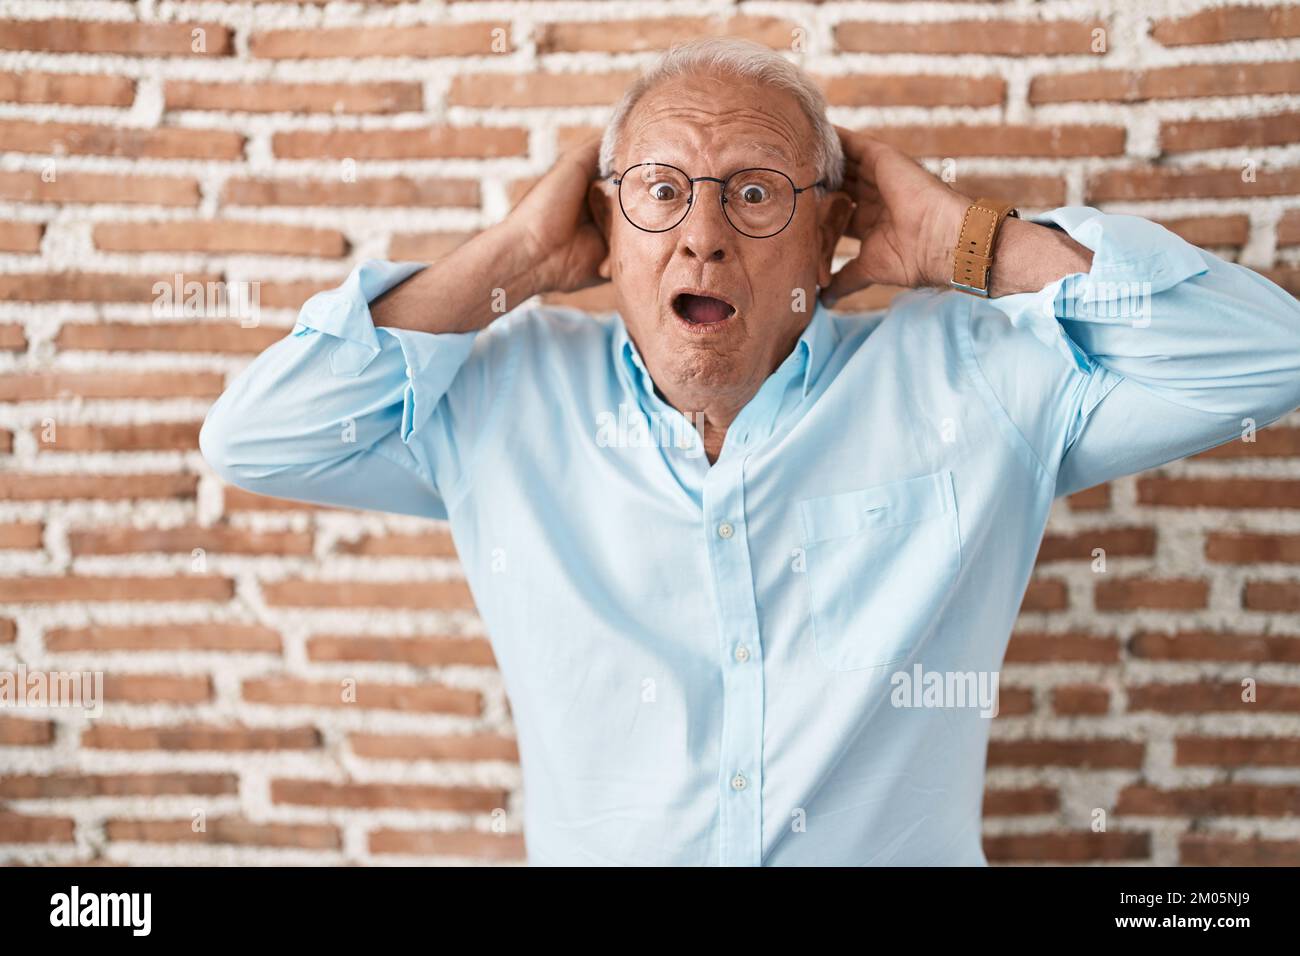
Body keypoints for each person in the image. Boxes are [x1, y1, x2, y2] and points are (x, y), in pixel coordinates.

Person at [200, 37, 1300, 865]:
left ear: (830, 237)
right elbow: (257, 433)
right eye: (660, 191)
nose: (704, 231)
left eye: (759, 193)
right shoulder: (497, 395)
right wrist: (517, 253)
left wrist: (965, 240)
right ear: (607, 227)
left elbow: (1265, 360)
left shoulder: (972, 376)